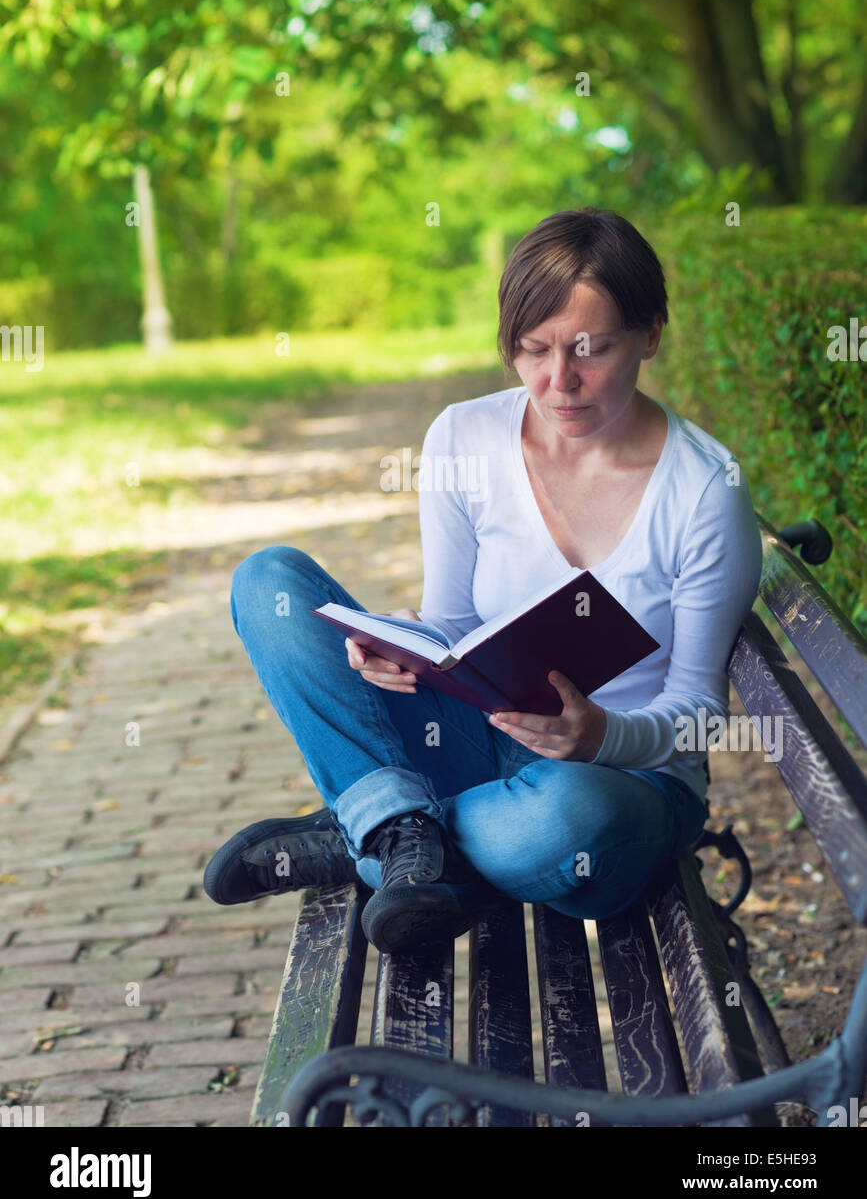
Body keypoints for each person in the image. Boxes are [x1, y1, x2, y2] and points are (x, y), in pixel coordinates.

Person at [203, 207, 763, 954]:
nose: (557, 381)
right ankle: (399, 831)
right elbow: (455, 626)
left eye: (588, 351)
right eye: (532, 351)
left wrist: (599, 734)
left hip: (616, 785)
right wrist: (400, 643)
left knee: (562, 825)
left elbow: (696, 714)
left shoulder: (701, 488)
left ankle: (373, 829)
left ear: (650, 335)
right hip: (475, 738)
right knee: (268, 581)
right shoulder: (464, 438)